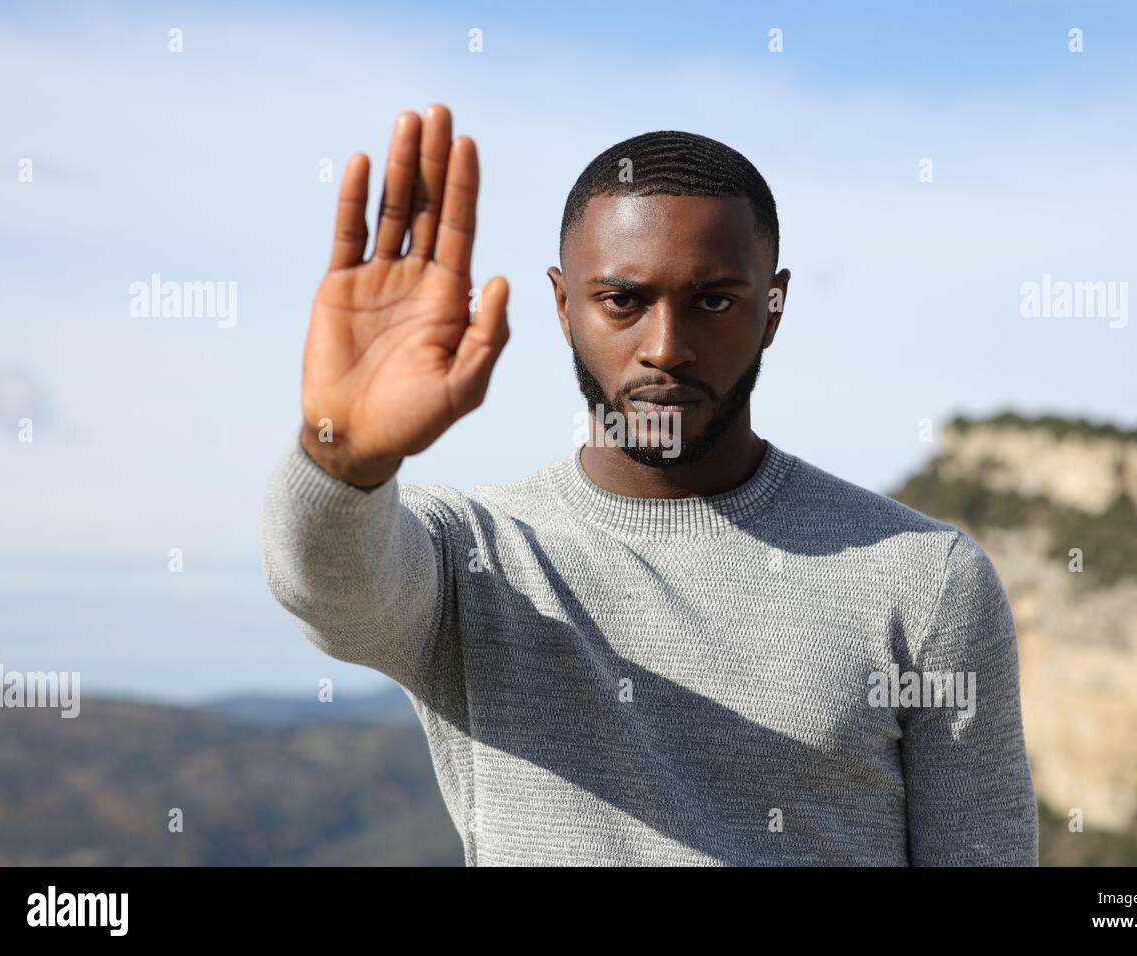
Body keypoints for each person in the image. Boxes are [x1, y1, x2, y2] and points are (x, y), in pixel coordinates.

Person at [262, 103, 1038, 866]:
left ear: (772, 308)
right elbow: (333, 594)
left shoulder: (925, 577)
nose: (666, 348)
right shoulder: (471, 558)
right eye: (622, 301)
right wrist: (343, 454)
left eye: (713, 301)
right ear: (564, 307)